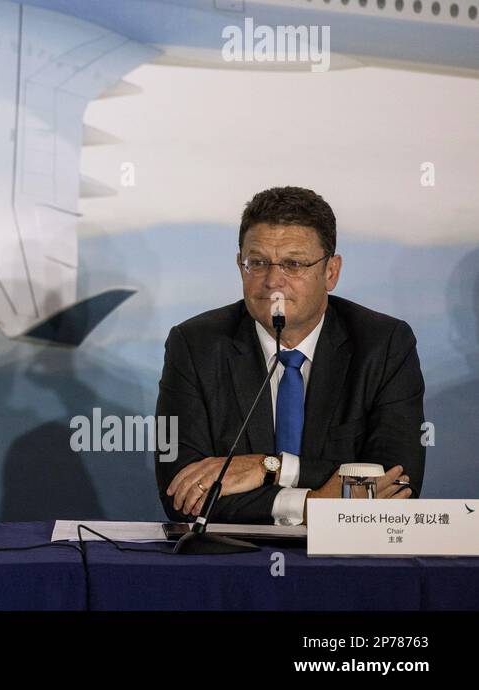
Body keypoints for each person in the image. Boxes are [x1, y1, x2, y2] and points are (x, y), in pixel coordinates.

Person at [156, 186, 423, 525]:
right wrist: (310, 505)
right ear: (241, 266)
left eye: (293, 264)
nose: (272, 281)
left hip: (348, 564)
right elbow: (181, 493)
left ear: (331, 272)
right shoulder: (195, 345)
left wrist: (268, 467)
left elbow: (397, 484)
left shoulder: (383, 345)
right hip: (233, 560)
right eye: (257, 262)